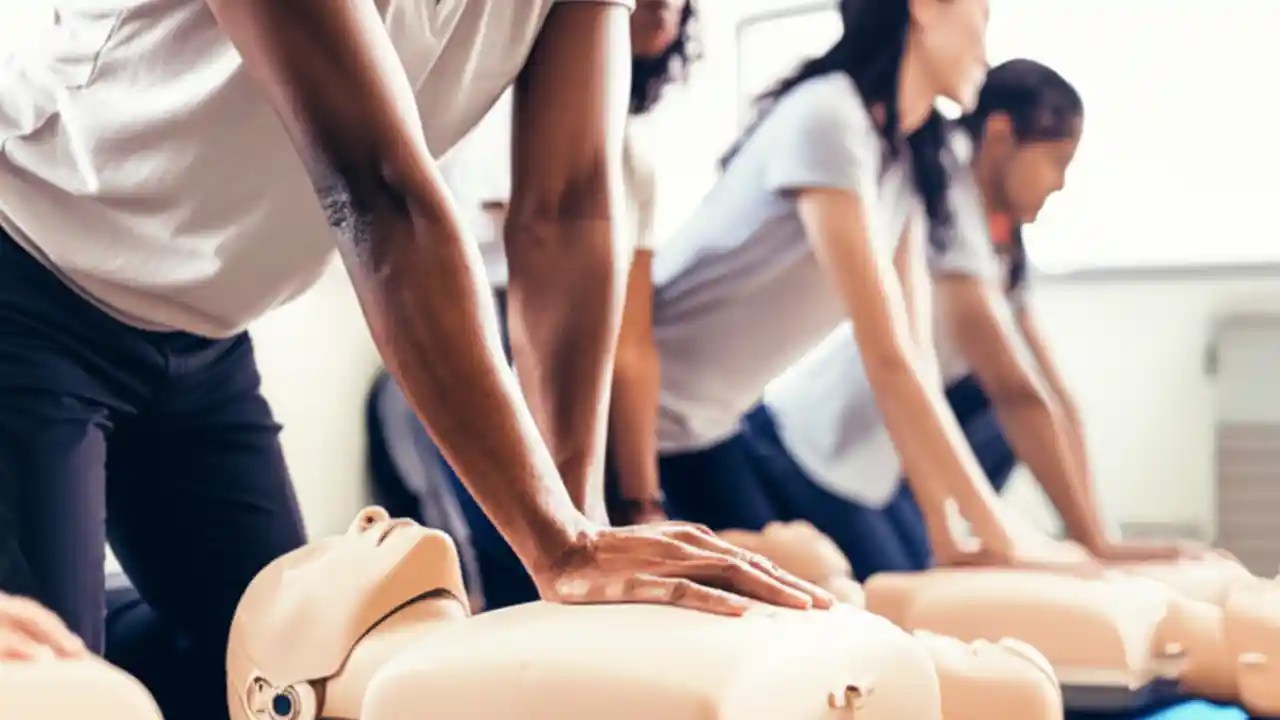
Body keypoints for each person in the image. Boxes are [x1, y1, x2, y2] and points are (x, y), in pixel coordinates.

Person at [0, 1, 825, 718]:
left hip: (206, 337)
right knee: (58, 690)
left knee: (291, 685)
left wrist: (582, 527)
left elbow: (567, 210)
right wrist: (557, 545)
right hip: (30, 280)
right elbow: (376, 189)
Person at [608, 0, 1076, 569]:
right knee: (805, 587)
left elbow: (914, 360)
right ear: (925, 9)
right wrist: (1006, 537)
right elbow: (886, 357)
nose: (985, 50)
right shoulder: (830, 117)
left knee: (814, 593)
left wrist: (946, 534)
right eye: (981, 20)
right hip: (632, 419)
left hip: (704, 428)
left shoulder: (906, 161)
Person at [744, 59, 1194, 578]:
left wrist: (1100, 537)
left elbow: (1053, 396)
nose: (1061, 184)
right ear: (1001, 135)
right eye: (1056, 161)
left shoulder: (1001, 242)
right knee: (907, 595)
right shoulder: (946, 195)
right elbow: (1014, 390)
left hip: (879, 468)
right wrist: (1090, 544)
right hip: (813, 448)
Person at [429, 0, 704, 610]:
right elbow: (544, 246)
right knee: (522, 588)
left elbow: (631, 346)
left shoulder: (635, 158)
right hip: (467, 367)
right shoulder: (504, 103)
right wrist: (568, 521)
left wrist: (641, 504)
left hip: (572, 388)